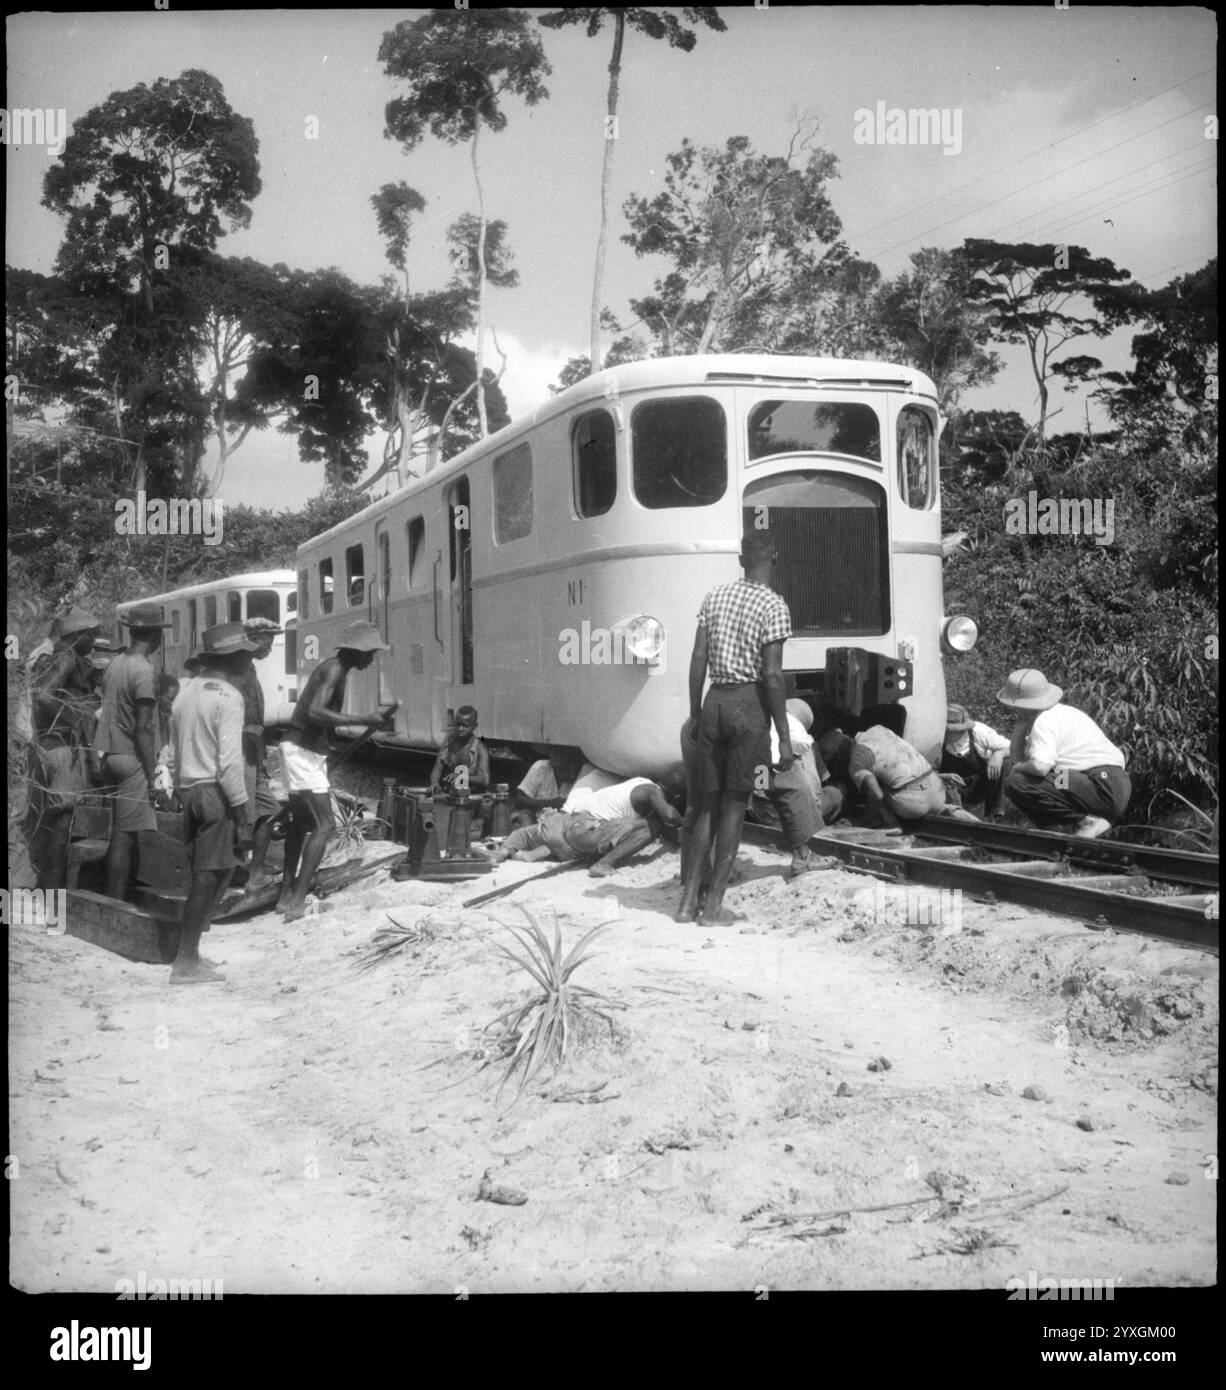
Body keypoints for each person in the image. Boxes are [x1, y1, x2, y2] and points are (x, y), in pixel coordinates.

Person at [677, 530, 795, 925]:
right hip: (748, 705)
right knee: (733, 806)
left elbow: (697, 660)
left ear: (742, 560)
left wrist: (696, 713)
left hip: (714, 702)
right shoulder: (774, 605)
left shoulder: (714, 597)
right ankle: (713, 909)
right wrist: (784, 736)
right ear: (774, 558)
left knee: (708, 804)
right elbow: (773, 676)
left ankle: (685, 902)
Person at [277, 621, 397, 922]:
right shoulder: (333, 670)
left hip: (304, 751)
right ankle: (297, 903)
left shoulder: (336, 669)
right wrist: (359, 718)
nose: (371, 659)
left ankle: (285, 896)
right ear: (358, 651)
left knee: (300, 824)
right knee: (325, 825)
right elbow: (314, 712)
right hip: (302, 753)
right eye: (370, 652)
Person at [165, 623, 254, 984]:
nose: (250, 659)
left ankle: (191, 954)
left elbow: (171, 749)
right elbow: (230, 765)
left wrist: (172, 783)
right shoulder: (229, 697)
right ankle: (185, 962)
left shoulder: (185, 692)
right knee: (208, 877)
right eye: (246, 653)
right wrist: (243, 814)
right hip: (214, 793)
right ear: (235, 657)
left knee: (204, 874)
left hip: (187, 790)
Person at [95, 602, 171, 899]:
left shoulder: (116, 664)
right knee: (124, 837)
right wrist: (151, 774)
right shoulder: (143, 670)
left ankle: (117, 893)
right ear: (155, 635)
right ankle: (114, 902)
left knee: (120, 830)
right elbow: (144, 728)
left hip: (110, 754)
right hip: (131, 759)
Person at [996, 668, 1130, 838]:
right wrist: (1020, 726)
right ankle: (1071, 830)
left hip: (1099, 783)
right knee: (1038, 780)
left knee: (1016, 782)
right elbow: (1020, 759)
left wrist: (1019, 768)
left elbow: (1039, 767)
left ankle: (1086, 823)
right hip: (1112, 783)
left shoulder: (1044, 721)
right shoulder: (1064, 713)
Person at [26, 605, 103, 889]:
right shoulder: (67, 658)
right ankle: (53, 895)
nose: (93, 643)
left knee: (50, 821)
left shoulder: (55, 657)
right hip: (60, 746)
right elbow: (45, 696)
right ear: (77, 635)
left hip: (47, 745)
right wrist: (74, 722)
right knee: (63, 822)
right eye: (90, 636)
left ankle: (46, 890)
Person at [491, 774, 683, 877]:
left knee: (527, 835)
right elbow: (669, 816)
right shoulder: (652, 791)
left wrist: (504, 849)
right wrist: (685, 823)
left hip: (561, 823)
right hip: (585, 832)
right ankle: (604, 864)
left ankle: (508, 852)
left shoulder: (636, 781)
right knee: (652, 826)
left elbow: (523, 834)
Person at [819, 723, 971, 826]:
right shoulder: (878, 729)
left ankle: (890, 824)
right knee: (940, 807)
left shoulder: (856, 762)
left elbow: (876, 795)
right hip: (937, 789)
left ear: (839, 753)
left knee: (875, 791)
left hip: (912, 805)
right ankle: (974, 823)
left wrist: (863, 819)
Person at [234, 617, 284, 889]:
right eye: (268, 641)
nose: (271, 648)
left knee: (269, 810)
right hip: (242, 752)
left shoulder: (249, 669)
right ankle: (241, 870)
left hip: (253, 752)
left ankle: (254, 872)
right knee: (245, 814)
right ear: (253, 639)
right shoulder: (240, 670)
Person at [940, 703, 1010, 816]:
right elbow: (926, 770)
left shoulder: (979, 732)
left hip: (977, 785)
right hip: (947, 786)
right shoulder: (935, 737)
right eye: (947, 730)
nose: (948, 733)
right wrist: (946, 776)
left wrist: (999, 755)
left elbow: (1012, 747)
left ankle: (994, 814)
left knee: (1003, 763)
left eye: (953, 730)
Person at [510, 745, 583, 829]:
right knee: (524, 816)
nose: (572, 771)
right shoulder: (541, 767)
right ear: (555, 767)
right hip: (535, 823)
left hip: (561, 828)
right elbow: (519, 800)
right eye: (568, 767)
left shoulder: (580, 778)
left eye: (574, 767)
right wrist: (550, 803)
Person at [429, 705, 490, 796]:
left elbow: (485, 780)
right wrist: (434, 783)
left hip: (472, 796)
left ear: (475, 726)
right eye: (458, 724)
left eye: (465, 726)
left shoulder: (480, 748)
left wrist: (462, 777)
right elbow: (438, 767)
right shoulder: (449, 741)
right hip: (451, 794)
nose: (460, 729)